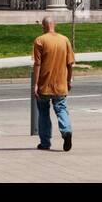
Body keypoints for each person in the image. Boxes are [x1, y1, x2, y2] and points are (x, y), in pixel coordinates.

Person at [31, 16, 75, 152]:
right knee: (61, 109)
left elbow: (37, 64)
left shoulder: (40, 40)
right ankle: (66, 131)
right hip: (60, 83)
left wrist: (36, 84)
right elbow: (70, 64)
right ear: (54, 25)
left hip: (45, 83)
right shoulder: (65, 40)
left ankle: (45, 142)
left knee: (43, 112)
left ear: (43, 26)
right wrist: (69, 80)